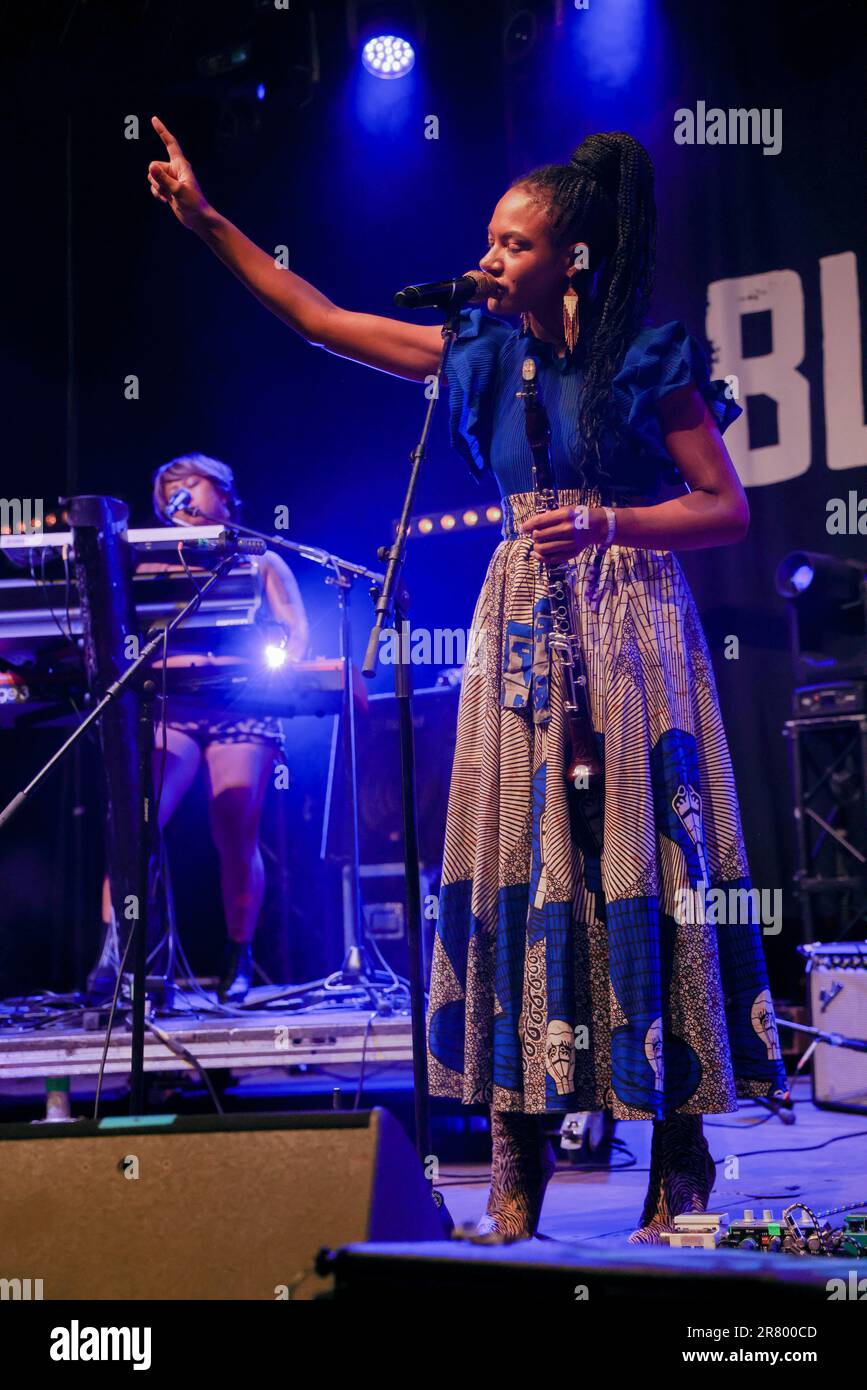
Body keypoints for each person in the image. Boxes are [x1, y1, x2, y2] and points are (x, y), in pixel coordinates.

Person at [147, 119, 789, 1240]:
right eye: (488, 238)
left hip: (629, 609)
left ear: (572, 257)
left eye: (514, 242)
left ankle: (674, 1158)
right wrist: (208, 224)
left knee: (634, 861)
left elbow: (725, 506)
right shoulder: (480, 350)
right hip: (519, 621)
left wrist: (609, 520)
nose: (489, 256)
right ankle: (514, 1162)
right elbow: (317, 317)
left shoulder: (649, 353)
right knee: (516, 872)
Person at [97, 453, 309, 1003]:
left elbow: (297, 635)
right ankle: (113, 955)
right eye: (169, 488)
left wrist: (277, 673)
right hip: (174, 707)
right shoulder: (148, 559)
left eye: (191, 484)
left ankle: (238, 955)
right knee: (135, 823)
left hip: (242, 706)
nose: (180, 495)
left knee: (234, 824)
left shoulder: (260, 558)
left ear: (224, 494)